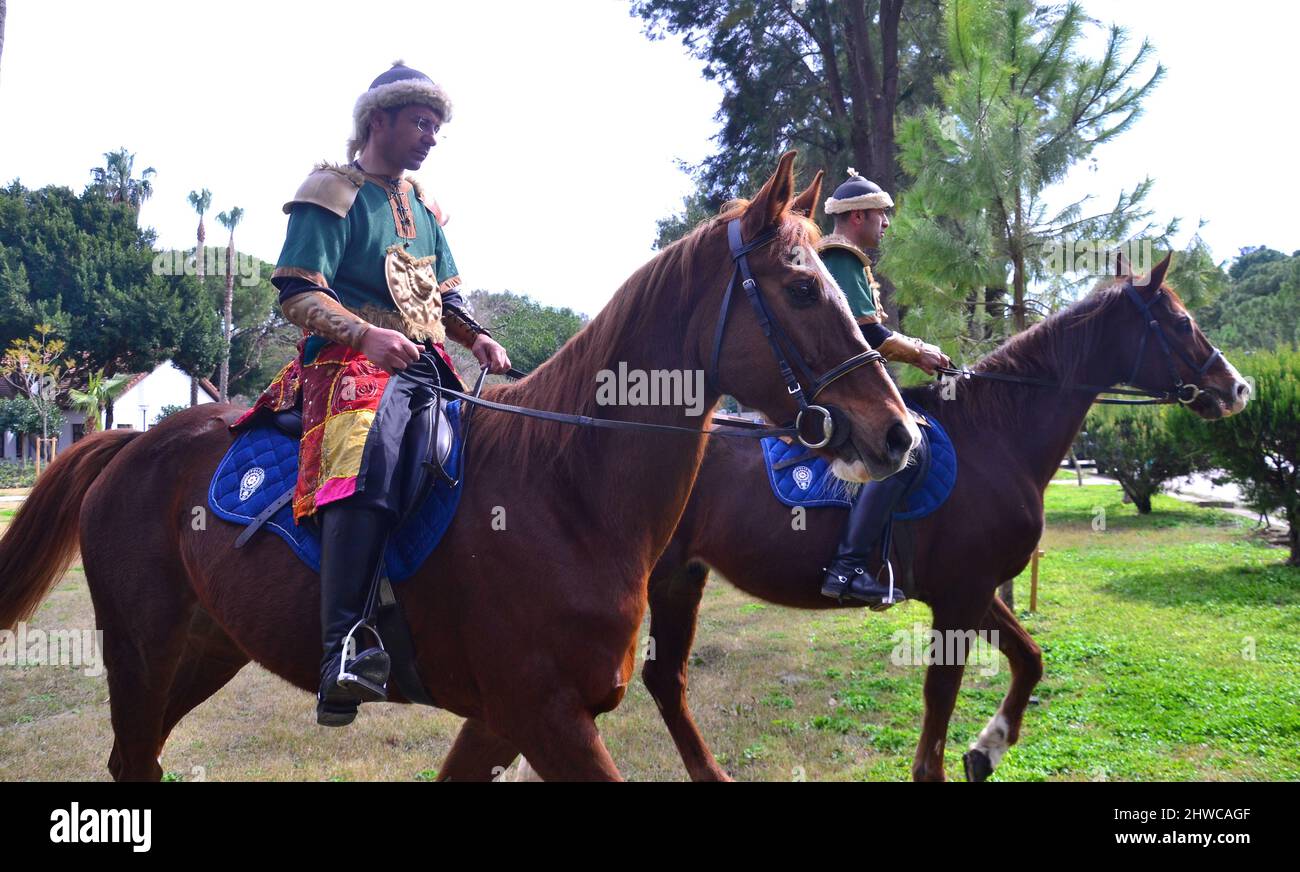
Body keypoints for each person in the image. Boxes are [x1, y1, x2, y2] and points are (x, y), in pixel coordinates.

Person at [232, 61, 511, 725]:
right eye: (421, 122)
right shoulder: (330, 190)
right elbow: (299, 291)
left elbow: (443, 295)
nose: (431, 137)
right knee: (370, 448)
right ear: (378, 120)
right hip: (346, 365)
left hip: (427, 363)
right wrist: (366, 337)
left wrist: (476, 339)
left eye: (437, 126)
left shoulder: (424, 208)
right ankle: (343, 651)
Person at [816, 169, 950, 606]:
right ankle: (848, 568)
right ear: (857, 216)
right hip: (837, 391)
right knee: (904, 453)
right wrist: (919, 351)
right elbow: (867, 335)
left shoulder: (844, 257)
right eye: (881, 214)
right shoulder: (841, 255)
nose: (887, 223)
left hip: (840, 385)